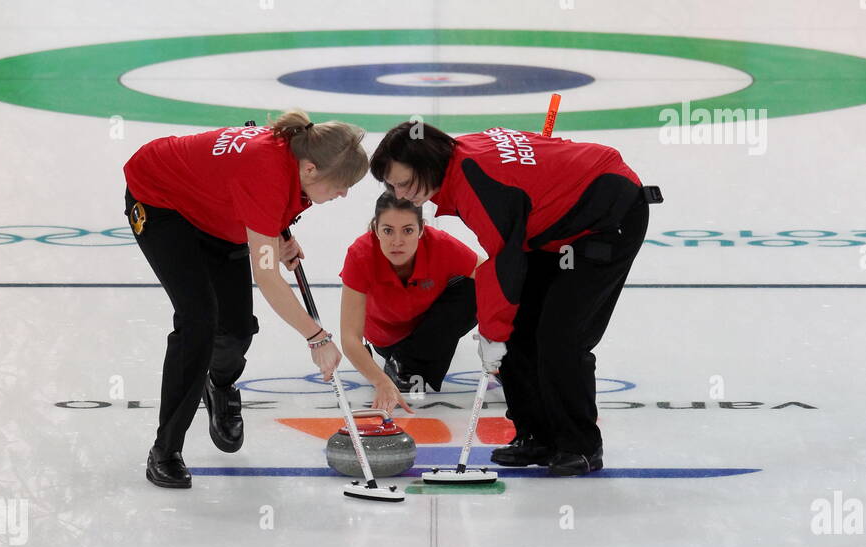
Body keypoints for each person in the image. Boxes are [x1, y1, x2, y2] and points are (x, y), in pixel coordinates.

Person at [369, 121, 657, 475]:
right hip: (550, 226)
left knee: (560, 336)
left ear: (428, 165)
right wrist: (500, 331)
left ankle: (580, 445)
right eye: (391, 185)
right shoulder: (458, 159)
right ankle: (534, 434)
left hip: (607, 218)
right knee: (521, 325)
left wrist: (492, 333)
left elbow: (505, 264)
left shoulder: (478, 186)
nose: (399, 194)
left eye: (404, 182)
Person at [123, 109, 368, 487]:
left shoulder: (295, 151)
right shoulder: (266, 171)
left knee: (236, 329)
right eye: (340, 184)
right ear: (310, 170)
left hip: (216, 213)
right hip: (162, 203)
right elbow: (267, 277)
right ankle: (165, 449)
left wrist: (278, 233)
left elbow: (251, 189)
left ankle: (219, 386)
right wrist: (317, 337)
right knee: (198, 323)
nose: (344, 193)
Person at [339, 192, 483, 415]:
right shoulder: (360, 255)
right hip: (387, 340)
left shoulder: (440, 244)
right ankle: (403, 365)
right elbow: (349, 337)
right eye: (388, 230)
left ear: (422, 229)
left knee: (476, 288)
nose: (397, 241)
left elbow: (493, 278)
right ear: (376, 229)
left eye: (407, 230)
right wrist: (380, 381)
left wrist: (506, 339)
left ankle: (413, 363)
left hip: (426, 324)